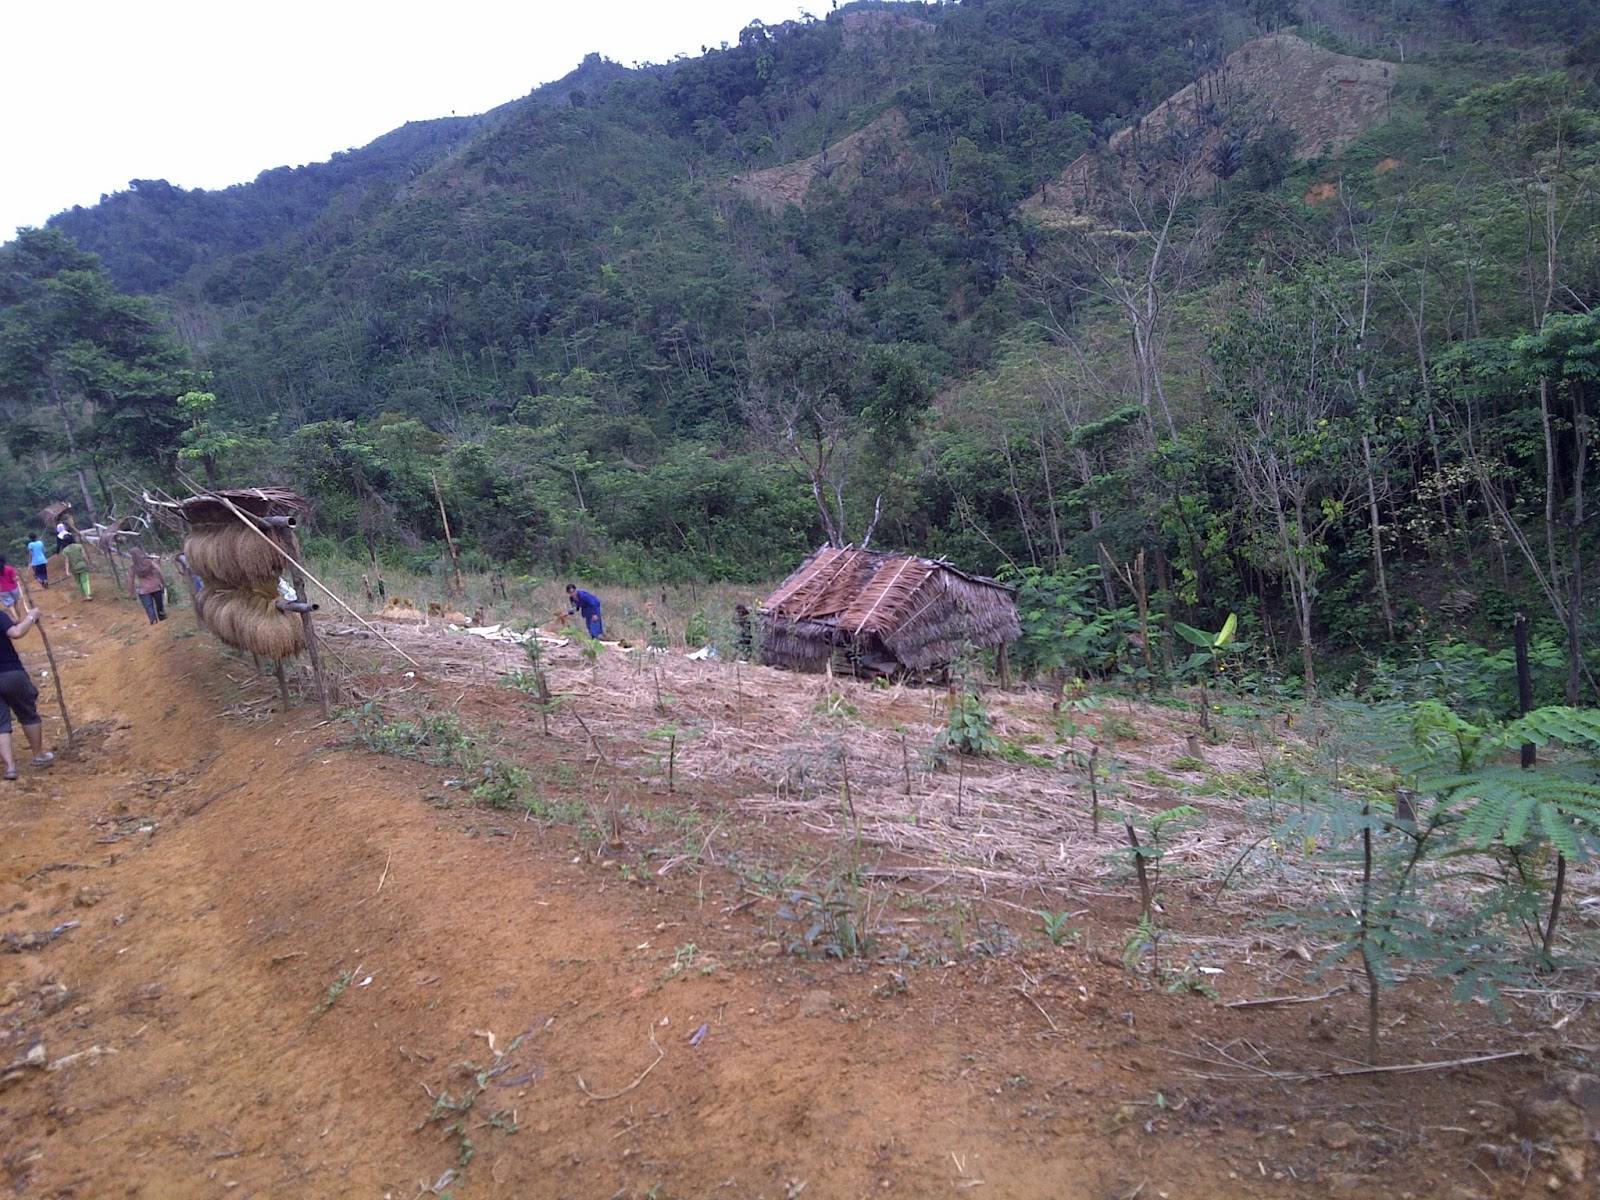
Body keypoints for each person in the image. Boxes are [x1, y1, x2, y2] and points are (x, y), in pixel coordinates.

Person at [0, 604, 54, 781]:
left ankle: (10, 767)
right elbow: (16, 632)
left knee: (1, 723)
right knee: (28, 713)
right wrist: (31, 616)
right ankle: (38, 755)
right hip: (11, 672)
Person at [129, 547, 168, 623]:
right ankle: (162, 619)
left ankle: (153, 621)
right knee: (160, 605)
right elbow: (159, 571)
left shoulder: (133, 567)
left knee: (149, 607)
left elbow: (131, 580)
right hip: (155, 586)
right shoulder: (149, 562)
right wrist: (163, 582)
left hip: (144, 590)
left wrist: (131, 593)